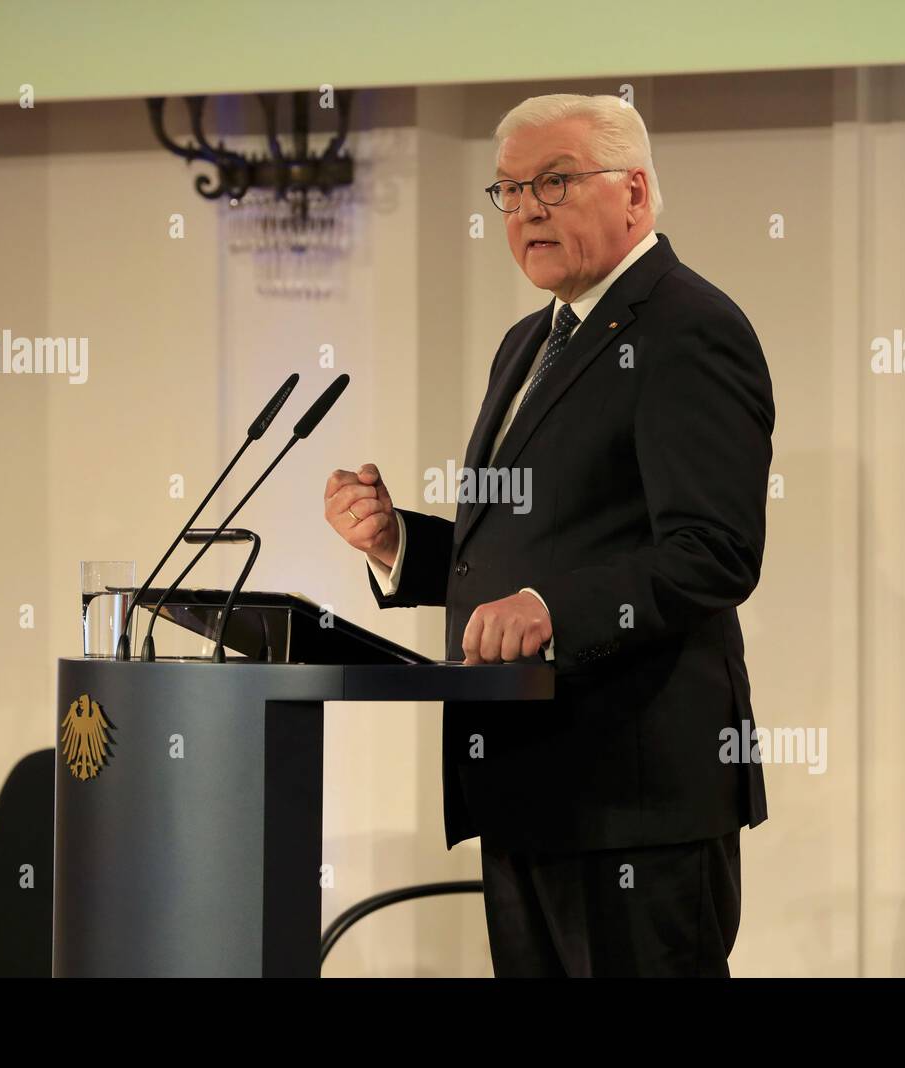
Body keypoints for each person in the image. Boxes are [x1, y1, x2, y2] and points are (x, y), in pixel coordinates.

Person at [324, 93, 774, 977]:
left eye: (555, 182)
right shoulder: (529, 342)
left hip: (634, 799)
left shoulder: (690, 329)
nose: (526, 208)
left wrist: (550, 609)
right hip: (533, 785)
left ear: (635, 193)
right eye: (509, 190)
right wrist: (398, 546)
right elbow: (538, 540)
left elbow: (714, 551)